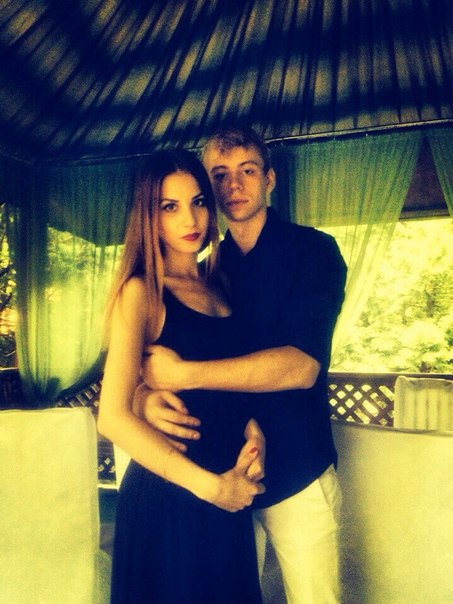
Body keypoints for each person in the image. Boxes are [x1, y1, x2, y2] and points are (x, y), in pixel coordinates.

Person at [139, 126, 347, 604]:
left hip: (298, 467)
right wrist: (144, 397)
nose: (233, 185)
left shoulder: (313, 252)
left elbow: (300, 368)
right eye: (220, 175)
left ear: (269, 179)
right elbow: (146, 361)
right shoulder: (206, 270)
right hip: (224, 472)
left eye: (247, 171)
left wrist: (184, 375)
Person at [98, 148, 267, 604]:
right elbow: (111, 416)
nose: (189, 219)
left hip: (228, 493)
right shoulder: (142, 292)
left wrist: (251, 428)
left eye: (197, 202)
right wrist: (208, 487)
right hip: (171, 497)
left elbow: (228, 383)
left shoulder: (220, 283)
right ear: (148, 217)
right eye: (169, 207)